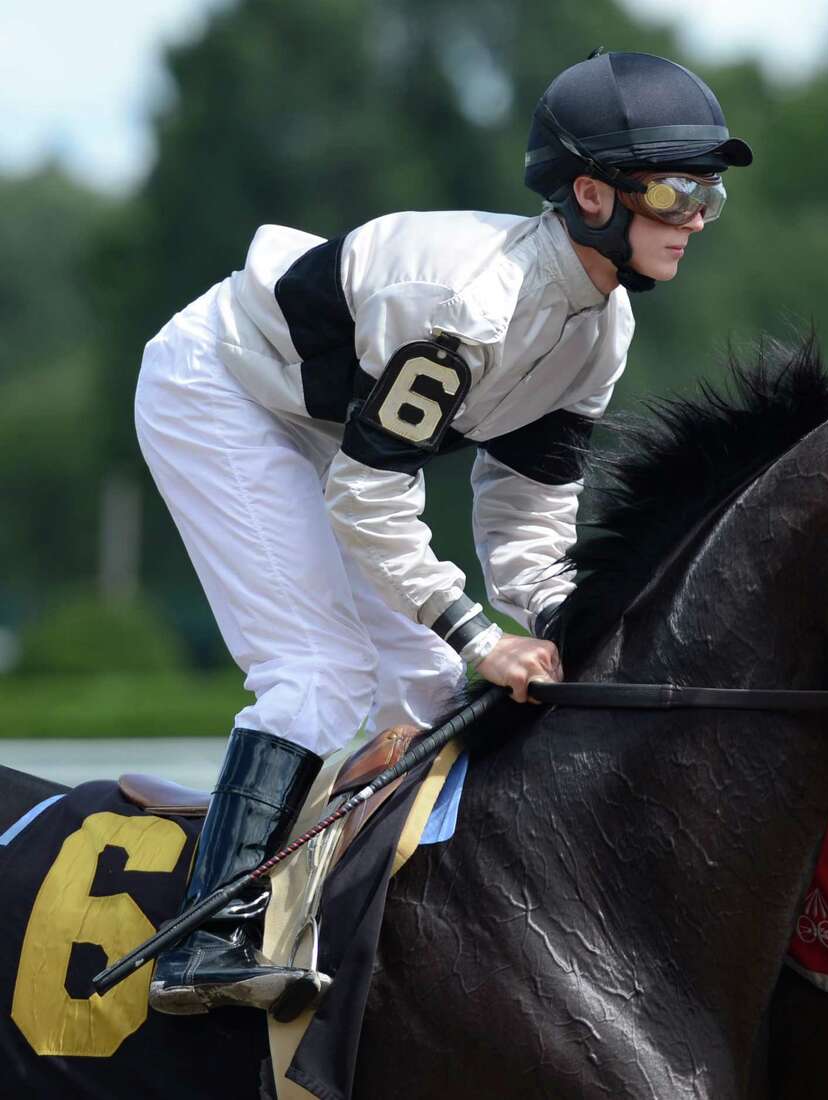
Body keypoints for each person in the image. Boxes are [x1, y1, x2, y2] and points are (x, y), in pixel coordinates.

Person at [133, 49, 751, 1018]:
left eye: (710, 192)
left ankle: (377, 934)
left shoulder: (600, 324)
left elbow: (526, 503)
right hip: (222, 390)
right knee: (320, 672)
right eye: (677, 190)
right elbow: (371, 497)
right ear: (592, 193)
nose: (699, 217)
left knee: (423, 690)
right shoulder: (472, 305)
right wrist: (479, 633)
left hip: (330, 429)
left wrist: (563, 618)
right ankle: (209, 931)